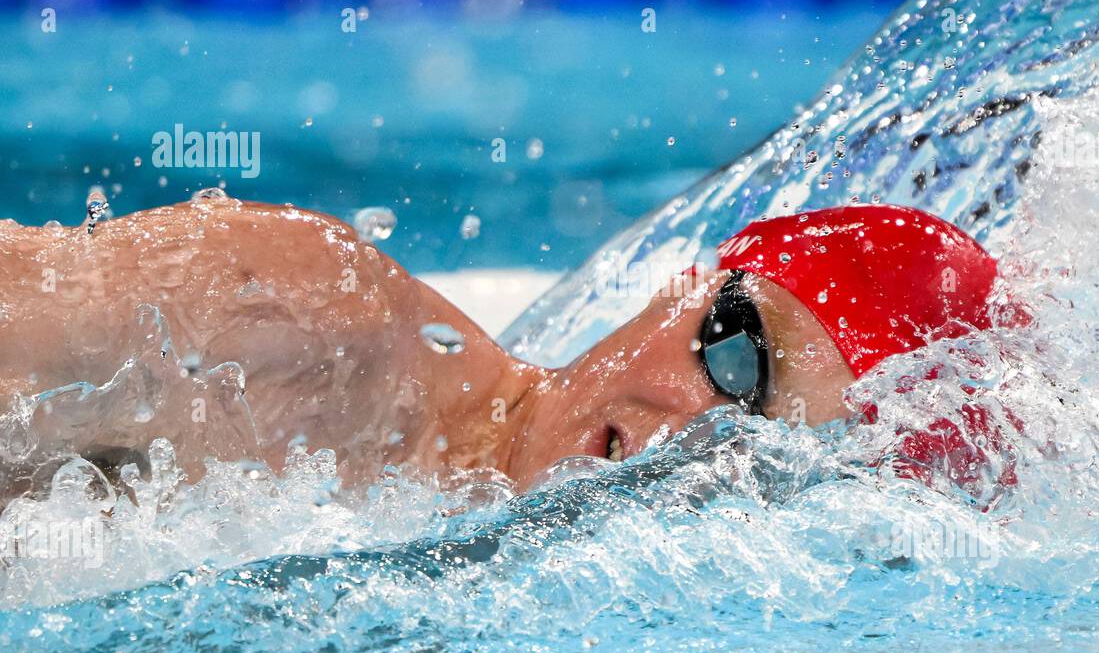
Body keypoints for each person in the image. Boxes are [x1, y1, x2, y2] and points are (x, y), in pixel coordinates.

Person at [0, 196, 1002, 500]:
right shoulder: (316, 321)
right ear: (679, 291)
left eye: (770, 448)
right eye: (733, 354)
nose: (693, 428)